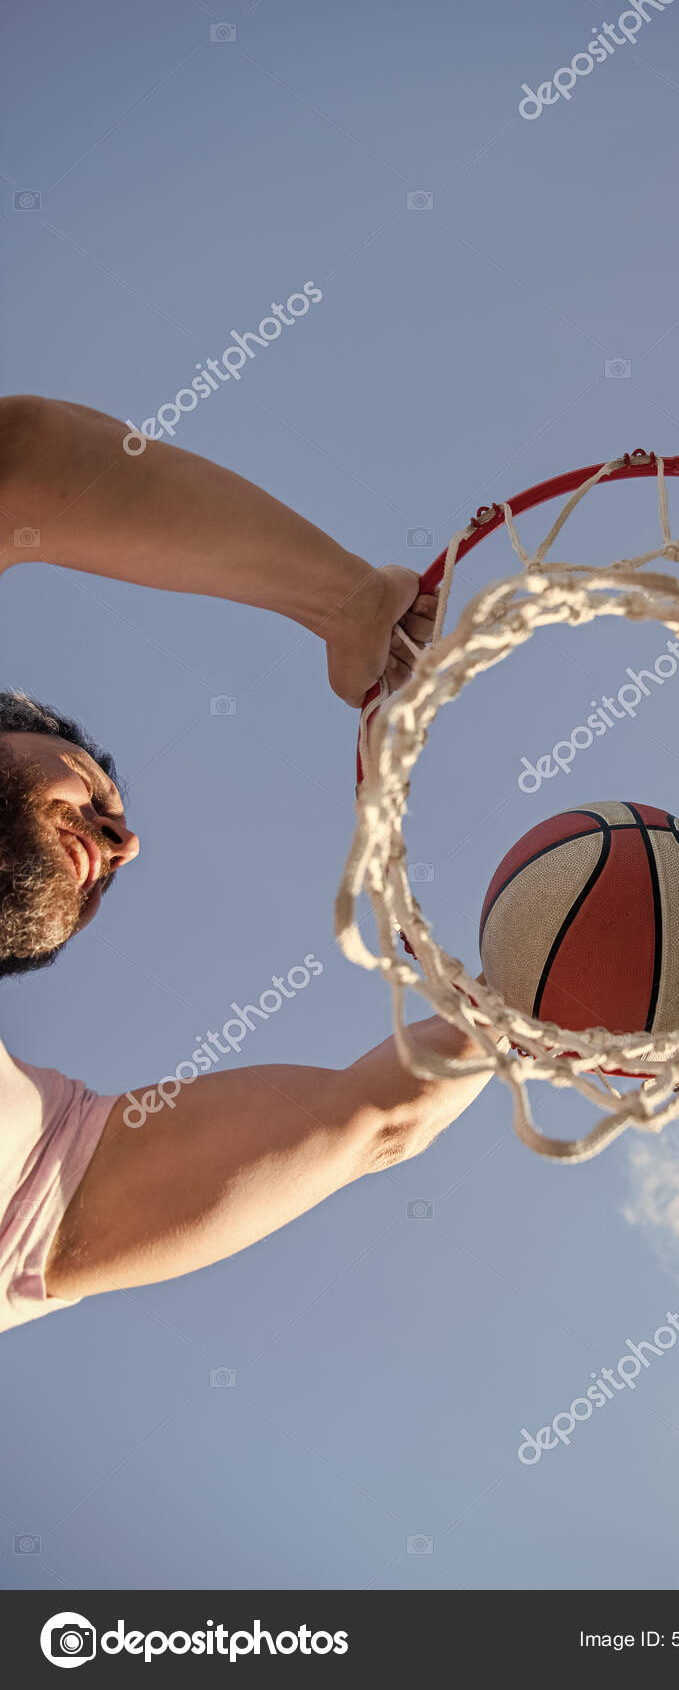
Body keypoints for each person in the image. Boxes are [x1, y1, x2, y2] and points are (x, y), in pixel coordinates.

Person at [0, 394, 495, 1335]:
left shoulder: (30, 1153)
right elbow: (16, 462)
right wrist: (341, 598)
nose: (124, 843)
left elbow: (369, 1121)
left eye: (117, 827)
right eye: (90, 788)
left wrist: (523, 1012)